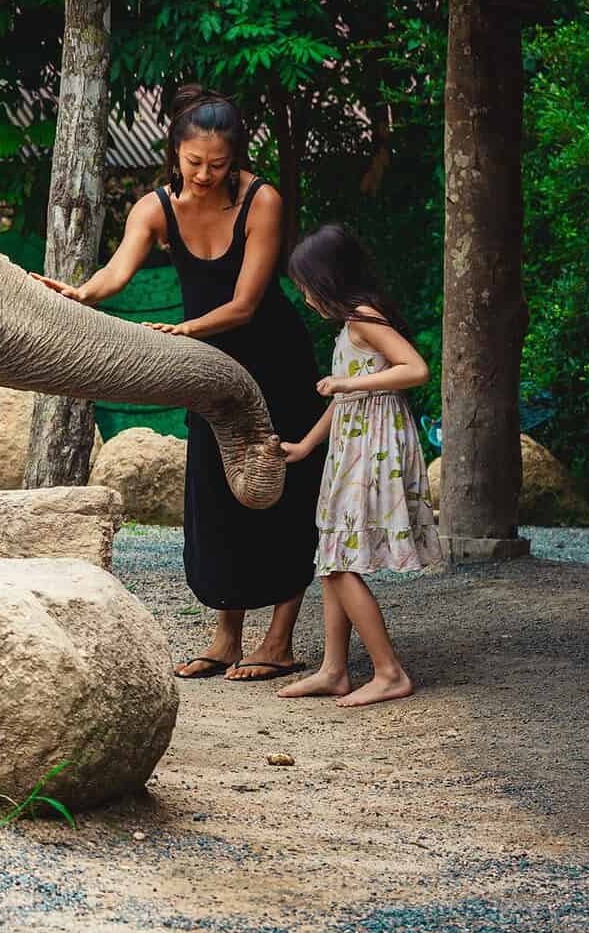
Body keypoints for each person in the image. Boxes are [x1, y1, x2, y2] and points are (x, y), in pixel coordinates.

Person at [33, 85, 326, 682]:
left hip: (274, 361)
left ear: (236, 158)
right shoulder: (155, 207)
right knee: (215, 498)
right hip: (206, 373)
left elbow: (245, 304)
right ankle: (225, 637)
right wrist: (83, 293)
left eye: (217, 165)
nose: (204, 175)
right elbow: (118, 270)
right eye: (193, 163)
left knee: (282, 492)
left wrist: (184, 330)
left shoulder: (261, 200)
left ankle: (278, 640)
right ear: (175, 152)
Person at [275, 224, 443, 706]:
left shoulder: (364, 318)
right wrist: (306, 446)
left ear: (329, 279)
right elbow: (347, 392)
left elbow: (415, 369)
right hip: (352, 443)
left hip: (375, 447)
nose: (306, 297)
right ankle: (334, 669)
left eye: (307, 287)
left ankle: (389, 672)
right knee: (334, 551)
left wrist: (348, 386)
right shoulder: (350, 326)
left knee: (338, 561)